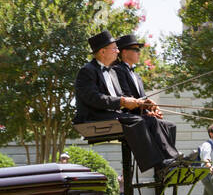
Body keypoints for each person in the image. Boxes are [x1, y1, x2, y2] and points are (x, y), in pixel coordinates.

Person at [74, 30, 182, 171]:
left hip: (113, 114)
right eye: (114, 48)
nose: (118, 51)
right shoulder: (87, 71)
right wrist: (123, 101)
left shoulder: (112, 72)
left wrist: (144, 109)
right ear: (102, 52)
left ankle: (172, 159)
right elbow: (93, 98)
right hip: (93, 117)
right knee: (137, 121)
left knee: (152, 120)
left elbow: (121, 98)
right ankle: (159, 165)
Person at [113, 34, 178, 149]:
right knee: (154, 122)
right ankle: (165, 161)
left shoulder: (136, 76)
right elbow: (127, 97)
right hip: (128, 115)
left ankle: (170, 161)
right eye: (135, 49)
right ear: (124, 52)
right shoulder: (118, 70)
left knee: (171, 125)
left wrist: (151, 110)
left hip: (141, 114)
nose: (139, 52)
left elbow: (143, 99)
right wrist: (147, 113)